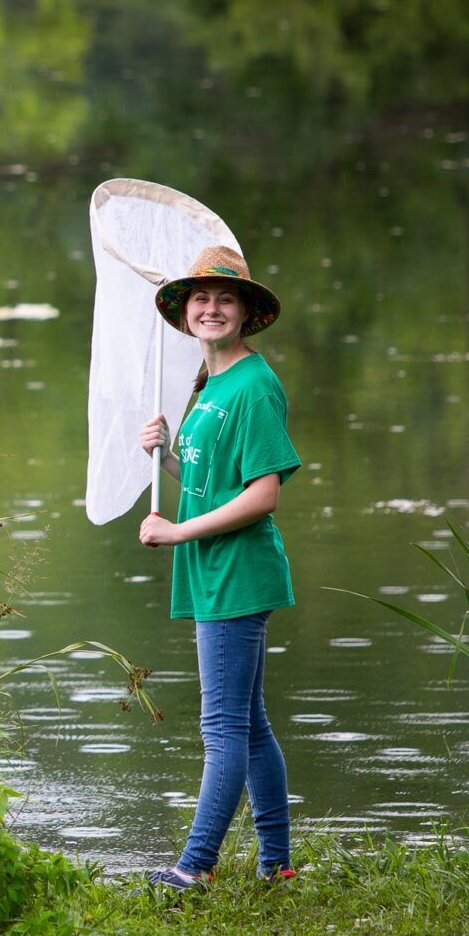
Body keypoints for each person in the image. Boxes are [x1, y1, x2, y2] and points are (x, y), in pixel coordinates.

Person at [133, 246, 300, 888]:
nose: (211, 307)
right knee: (251, 725)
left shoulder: (254, 385)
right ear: (183, 317)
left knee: (224, 728)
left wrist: (175, 533)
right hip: (214, 571)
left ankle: (195, 867)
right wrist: (168, 457)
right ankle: (277, 865)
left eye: (225, 298)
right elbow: (216, 485)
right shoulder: (209, 387)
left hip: (238, 573)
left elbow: (262, 496)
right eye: (200, 299)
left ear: (246, 313)